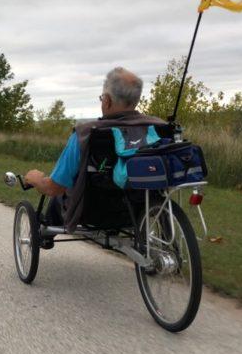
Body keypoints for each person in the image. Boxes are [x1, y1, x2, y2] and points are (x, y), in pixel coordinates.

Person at [23, 66, 166, 236]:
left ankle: (46, 236)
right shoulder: (159, 128)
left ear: (107, 100)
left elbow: (55, 188)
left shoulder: (85, 134)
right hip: (141, 209)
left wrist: (36, 179)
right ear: (135, 100)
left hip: (92, 212)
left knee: (60, 194)